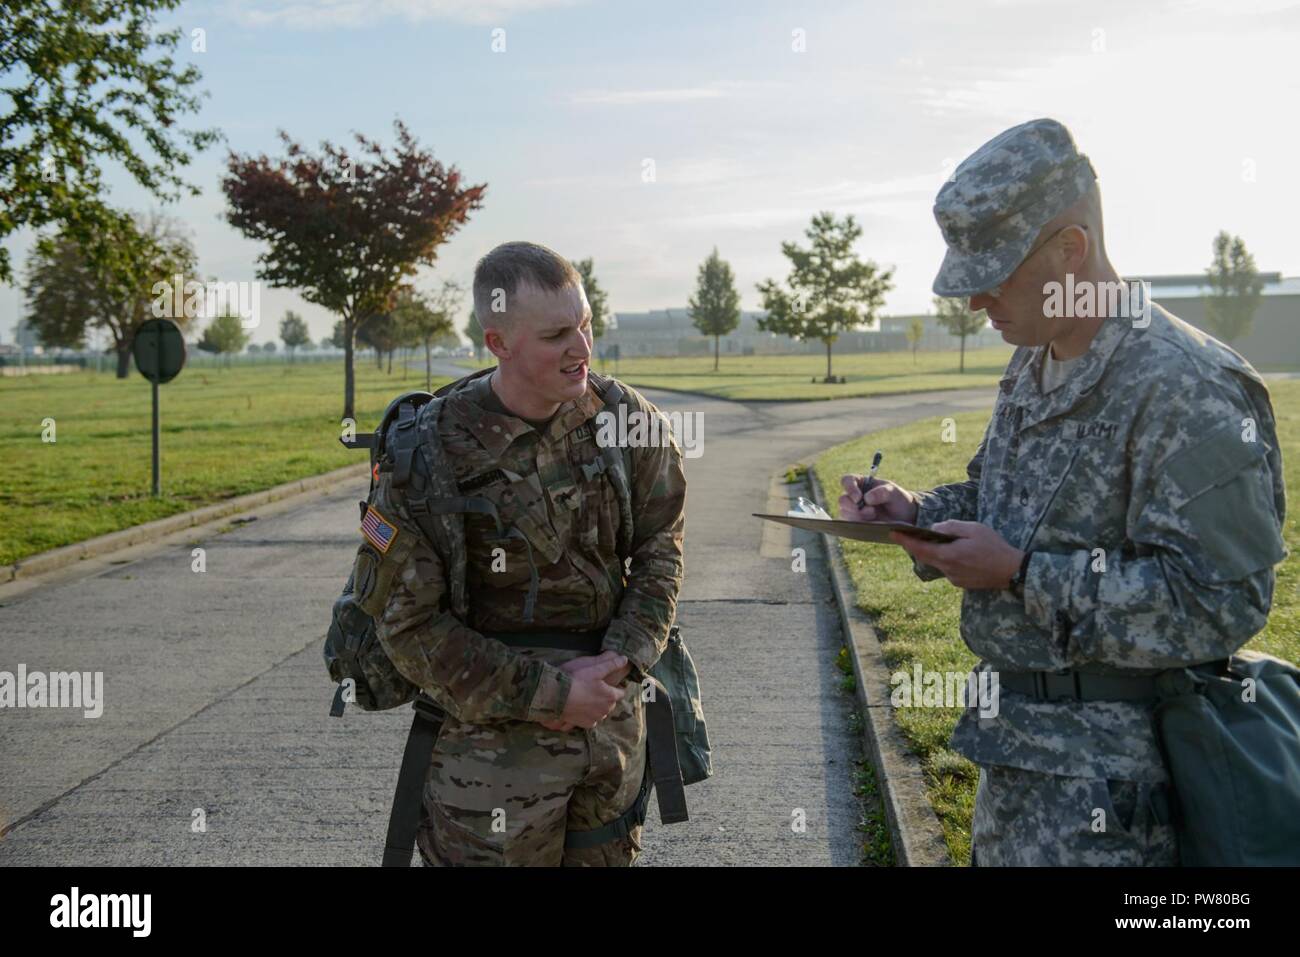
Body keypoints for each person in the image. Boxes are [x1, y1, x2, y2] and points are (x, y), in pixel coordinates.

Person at [838, 118, 1286, 865]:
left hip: (1124, 800)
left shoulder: (1186, 385)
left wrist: (1020, 575)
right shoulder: (1035, 359)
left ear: (1071, 250)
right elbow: (1001, 495)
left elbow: (1221, 602)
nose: (976, 301)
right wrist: (917, 511)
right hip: (1015, 769)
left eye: (995, 272)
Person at [371, 241, 686, 865]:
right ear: (499, 343)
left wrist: (621, 659)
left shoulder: (629, 422)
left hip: (611, 737)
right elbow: (407, 625)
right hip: (489, 769)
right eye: (556, 335)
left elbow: (661, 550)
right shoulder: (427, 450)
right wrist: (549, 693)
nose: (582, 349)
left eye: (588, 325)